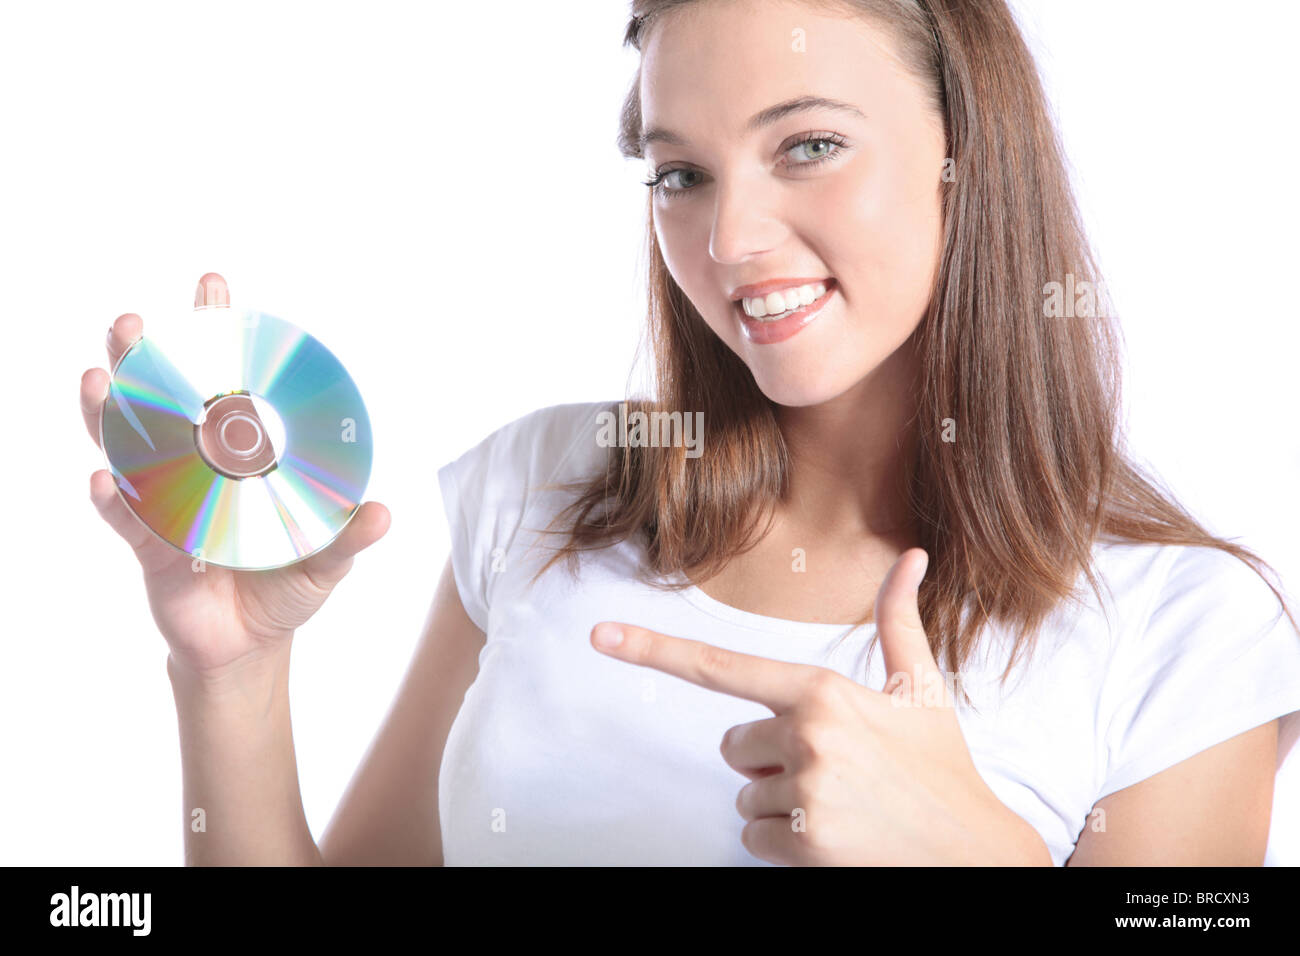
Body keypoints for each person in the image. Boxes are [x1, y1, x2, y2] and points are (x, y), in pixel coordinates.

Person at [79, 0, 1300, 866]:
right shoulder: (545, 488)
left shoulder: (1183, 632)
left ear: (967, 156)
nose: (730, 243)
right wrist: (229, 673)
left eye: (808, 145)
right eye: (682, 175)